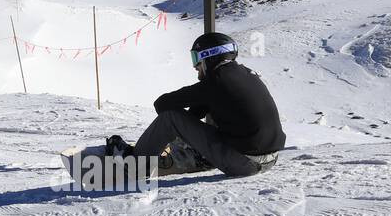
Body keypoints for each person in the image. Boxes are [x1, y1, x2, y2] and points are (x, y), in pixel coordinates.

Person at [106, 32, 285, 177]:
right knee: (220, 109)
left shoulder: (216, 81)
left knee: (170, 118)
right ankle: (203, 156)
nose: (195, 67)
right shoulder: (244, 73)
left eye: (196, 59)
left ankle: (135, 164)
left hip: (244, 163)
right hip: (269, 159)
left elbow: (162, 104)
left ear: (208, 56)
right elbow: (200, 110)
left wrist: (182, 123)